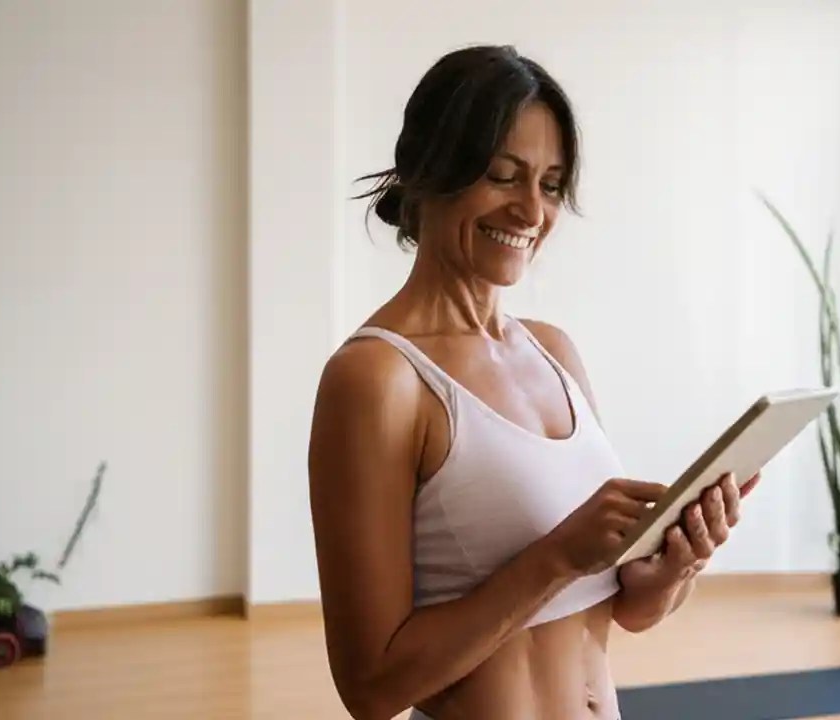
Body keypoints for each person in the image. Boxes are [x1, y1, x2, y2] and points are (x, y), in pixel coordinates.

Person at [307, 44, 759, 720]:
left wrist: (674, 565)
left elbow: (626, 611)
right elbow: (371, 688)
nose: (531, 211)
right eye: (502, 175)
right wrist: (555, 557)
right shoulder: (377, 379)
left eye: (549, 184)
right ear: (427, 171)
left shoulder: (555, 352)